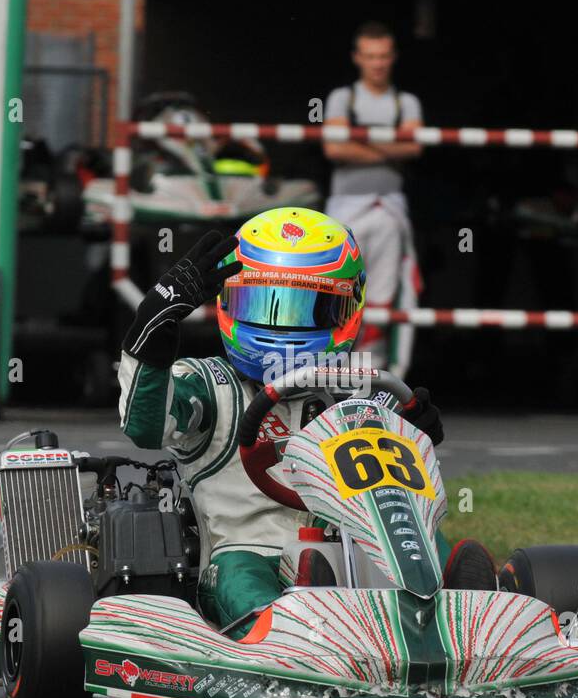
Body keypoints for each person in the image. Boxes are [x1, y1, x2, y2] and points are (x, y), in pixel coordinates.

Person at [117, 207, 496, 640]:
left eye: (307, 308)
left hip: (361, 552)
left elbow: (402, 498)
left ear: (346, 309)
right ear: (228, 303)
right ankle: (285, 633)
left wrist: (414, 440)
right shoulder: (210, 387)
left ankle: (469, 614)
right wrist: (153, 327)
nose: (282, 326)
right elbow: (145, 426)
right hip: (248, 552)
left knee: (427, 547)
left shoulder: (368, 394)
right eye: (261, 304)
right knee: (242, 577)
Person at [322, 21, 424, 376]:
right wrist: (389, 147)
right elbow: (334, 148)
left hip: (390, 210)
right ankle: (331, 374)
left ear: (392, 57)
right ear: (357, 58)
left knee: (382, 296)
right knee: (335, 289)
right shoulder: (342, 97)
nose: (377, 63)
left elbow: (414, 148)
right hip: (345, 209)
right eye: (370, 56)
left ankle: (373, 378)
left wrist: (359, 140)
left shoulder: (406, 102)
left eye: (383, 56)